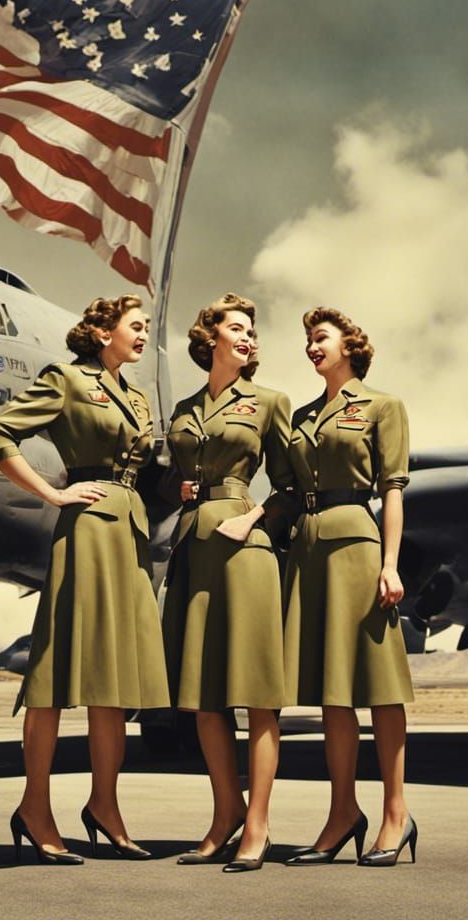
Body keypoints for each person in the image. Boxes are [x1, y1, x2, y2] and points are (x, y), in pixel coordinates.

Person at [0, 295, 170, 865]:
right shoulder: (65, 379)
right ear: (104, 332)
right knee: (55, 677)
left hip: (127, 535)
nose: (143, 336)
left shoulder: (137, 397)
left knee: (115, 684)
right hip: (85, 530)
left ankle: (105, 808)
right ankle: (34, 808)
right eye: (135, 328)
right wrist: (51, 492)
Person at [161, 294, 294, 873]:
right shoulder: (185, 409)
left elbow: (292, 488)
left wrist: (254, 515)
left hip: (245, 548)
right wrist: (181, 495)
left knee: (256, 696)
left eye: (252, 331)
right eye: (237, 328)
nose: (249, 337)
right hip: (194, 549)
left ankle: (258, 825)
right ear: (209, 336)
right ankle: (226, 813)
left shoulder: (269, 403)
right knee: (203, 699)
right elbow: (170, 479)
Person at [282, 307, 417, 869]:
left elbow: (392, 491)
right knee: (331, 692)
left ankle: (395, 813)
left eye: (321, 339)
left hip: (359, 545)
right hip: (308, 550)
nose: (312, 347)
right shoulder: (304, 414)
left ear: (349, 346)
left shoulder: (383, 406)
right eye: (308, 340)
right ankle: (342, 813)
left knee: (380, 685)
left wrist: (391, 564)